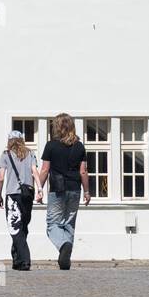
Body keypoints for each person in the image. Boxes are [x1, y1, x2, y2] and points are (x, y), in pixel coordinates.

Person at [37, 112, 90, 269]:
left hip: (57, 190)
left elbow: (45, 170)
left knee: (52, 224)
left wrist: (39, 189)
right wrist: (87, 192)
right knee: (69, 224)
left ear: (57, 128)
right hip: (75, 189)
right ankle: (65, 259)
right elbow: (83, 172)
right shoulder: (79, 146)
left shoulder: (51, 145)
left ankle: (64, 246)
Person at [0, 130, 36, 270]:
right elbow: (34, 172)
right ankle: (17, 260)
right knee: (23, 226)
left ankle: (25, 260)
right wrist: (40, 190)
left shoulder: (6, 154)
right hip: (28, 194)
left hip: (12, 195)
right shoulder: (30, 153)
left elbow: (1, 177)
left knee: (15, 227)